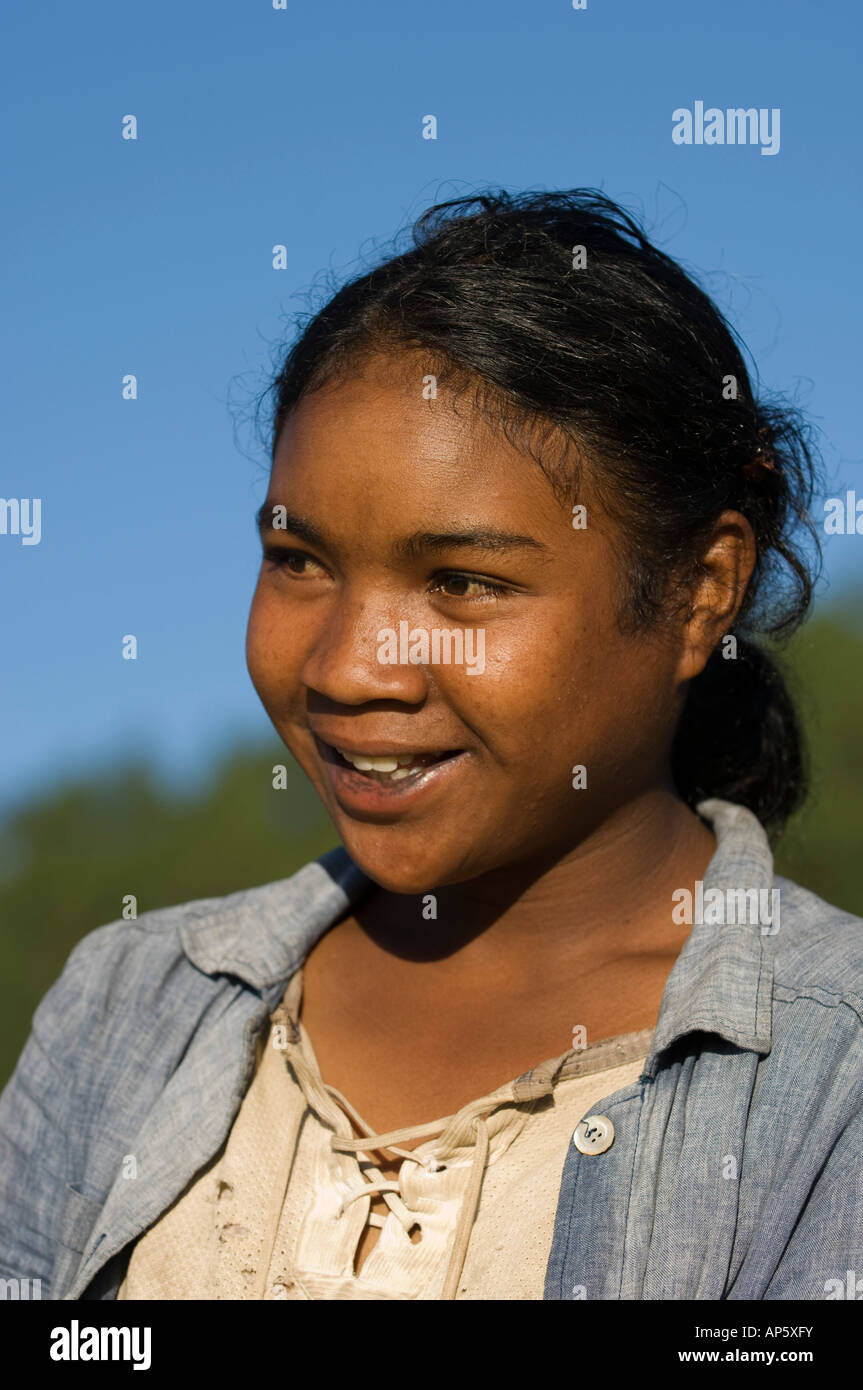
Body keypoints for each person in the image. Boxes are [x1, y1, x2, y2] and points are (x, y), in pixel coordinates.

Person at [2, 189, 861, 1301]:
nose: (350, 667)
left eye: (461, 583)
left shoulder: (828, 1074)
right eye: (299, 560)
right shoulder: (128, 1006)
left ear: (700, 594)